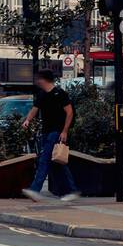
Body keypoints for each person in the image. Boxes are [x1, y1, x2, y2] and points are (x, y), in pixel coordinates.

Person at [21, 70, 80, 202]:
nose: (37, 81)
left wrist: (64, 131)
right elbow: (34, 109)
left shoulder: (60, 94)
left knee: (44, 160)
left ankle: (35, 190)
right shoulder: (42, 95)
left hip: (56, 132)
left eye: (39, 79)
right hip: (46, 132)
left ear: (45, 80)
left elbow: (69, 112)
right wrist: (27, 120)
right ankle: (72, 190)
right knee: (59, 163)